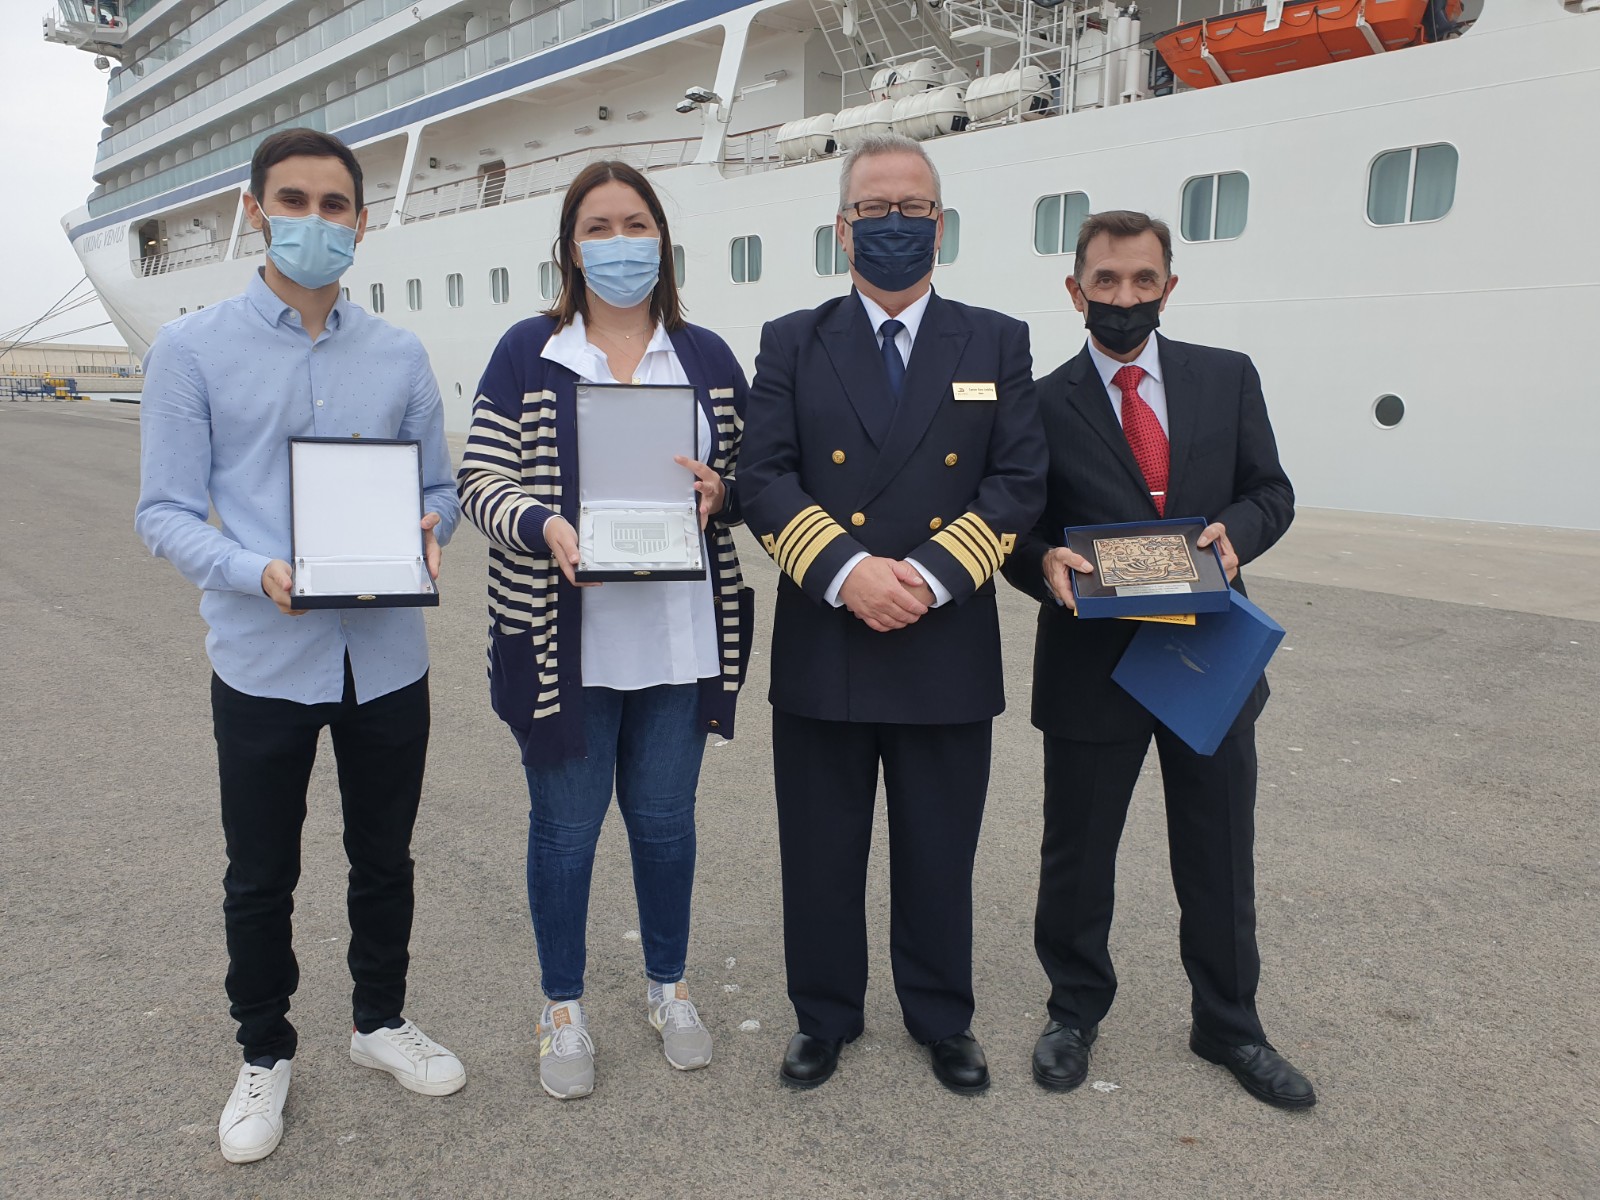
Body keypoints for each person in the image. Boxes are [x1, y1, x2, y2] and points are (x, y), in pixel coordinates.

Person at [134, 129, 466, 1166]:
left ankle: (377, 1023)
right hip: (261, 657)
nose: (315, 221)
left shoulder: (399, 354)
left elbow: (439, 492)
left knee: (384, 858)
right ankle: (265, 1052)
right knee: (260, 873)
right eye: (294, 200)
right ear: (255, 210)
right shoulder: (192, 350)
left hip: (385, 657)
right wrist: (256, 571)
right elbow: (166, 512)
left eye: (335, 205)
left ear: (362, 222)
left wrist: (431, 532)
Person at [739, 132, 1046, 1094]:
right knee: (821, 851)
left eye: (914, 209)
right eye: (876, 210)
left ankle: (940, 1016)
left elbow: (1017, 480)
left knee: (937, 850)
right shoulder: (795, 338)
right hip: (830, 633)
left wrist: (920, 576)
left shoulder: (995, 339)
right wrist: (847, 572)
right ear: (843, 229)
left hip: (943, 635)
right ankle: (823, 1017)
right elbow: (764, 476)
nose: (896, 226)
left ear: (941, 226)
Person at [1000, 210, 1315, 1109]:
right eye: (1107, 282)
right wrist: (1037, 565)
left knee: (1218, 851)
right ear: (1075, 291)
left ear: (1169, 287)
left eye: (1144, 282)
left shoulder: (1226, 378)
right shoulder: (1039, 400)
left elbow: (1271, 491)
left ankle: (1229, 1024)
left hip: (1209, 652)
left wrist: (1238, 537)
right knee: (1078, 853)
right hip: (1091, 658)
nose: (1126, 298)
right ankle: (1073, 1012)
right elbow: (1014, 524)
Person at [456, 160, 752, 1101]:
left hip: (677, 636)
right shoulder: (526, 353)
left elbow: (748, 481)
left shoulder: (706, 357)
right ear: (570, 248)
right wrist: (543, 525)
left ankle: (669, 984)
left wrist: (724, 492)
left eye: (635, 224)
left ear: (661, 241)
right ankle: (562, 1005)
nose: (618, 242)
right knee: (567, 832)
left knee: (666, 828)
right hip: (563, 642)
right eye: (599, 226)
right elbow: (480, 481)